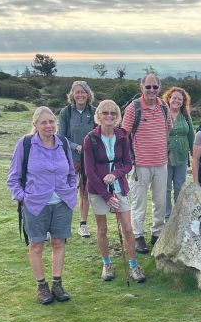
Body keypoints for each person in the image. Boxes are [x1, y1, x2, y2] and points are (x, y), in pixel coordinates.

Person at [7, 106, 77, 304]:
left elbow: (71, 172)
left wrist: (71, 190)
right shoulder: (26, 144)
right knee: (36, 245)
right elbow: (13, 177)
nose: (48, 126)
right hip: (35, 204)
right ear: (35, 125)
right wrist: (23, 197)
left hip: (62, 203)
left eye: (51, 121)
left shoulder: (63, 142)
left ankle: (57, 284)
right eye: (43, 122)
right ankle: (42, 287)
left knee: (59, 243)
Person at [83, 100, 146, 284]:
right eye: (105, 113)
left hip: (119, 187)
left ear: (117, 116)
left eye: (113, 113)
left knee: (127, 228)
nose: (109, 116)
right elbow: (89, 172)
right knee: (102, 229)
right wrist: (106, 196)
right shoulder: (90, 139)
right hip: (98, 190)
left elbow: (128, 164)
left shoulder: (122, 136)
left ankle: (133, 264)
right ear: (98, 116)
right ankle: (107, 263)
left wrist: (115, 174)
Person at [121, 73, 171, 254]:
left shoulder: (164, 107)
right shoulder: (133, 108)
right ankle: (137, 236)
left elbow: (168, 129)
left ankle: (157, 233)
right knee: (139, 202)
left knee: (160, 201)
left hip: (161, 163)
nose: (151, 90)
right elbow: (124, 135)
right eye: (148, 86)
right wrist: (126, 160)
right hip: (140, 164)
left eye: (155, 87)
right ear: (141, 87)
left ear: (159, 88)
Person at [58, 80, 97, 238]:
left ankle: (83, 225)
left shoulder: (94, 112)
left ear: (88, 94)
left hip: (89, 159)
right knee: (66, 192)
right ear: (72, 95)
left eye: (83, 92)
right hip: (70, 159)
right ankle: (58, 225)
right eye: (77, 92)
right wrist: (76, 146)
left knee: (85, 192)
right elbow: (60, 137)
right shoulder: (66, 112)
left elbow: (98, 134)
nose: (80, 95)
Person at [161, 86, 195, 220]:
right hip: (165, 157)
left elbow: (191, 136)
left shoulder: (186, 116)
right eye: (174, 98)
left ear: (183, 101)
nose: (176, 101)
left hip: (182, 156)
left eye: (180, 99)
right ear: (169, 99)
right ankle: (167, 217)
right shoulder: (162, 114)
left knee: (180, 188)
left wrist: (194, 156)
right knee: (165, 189)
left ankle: (179, 217)